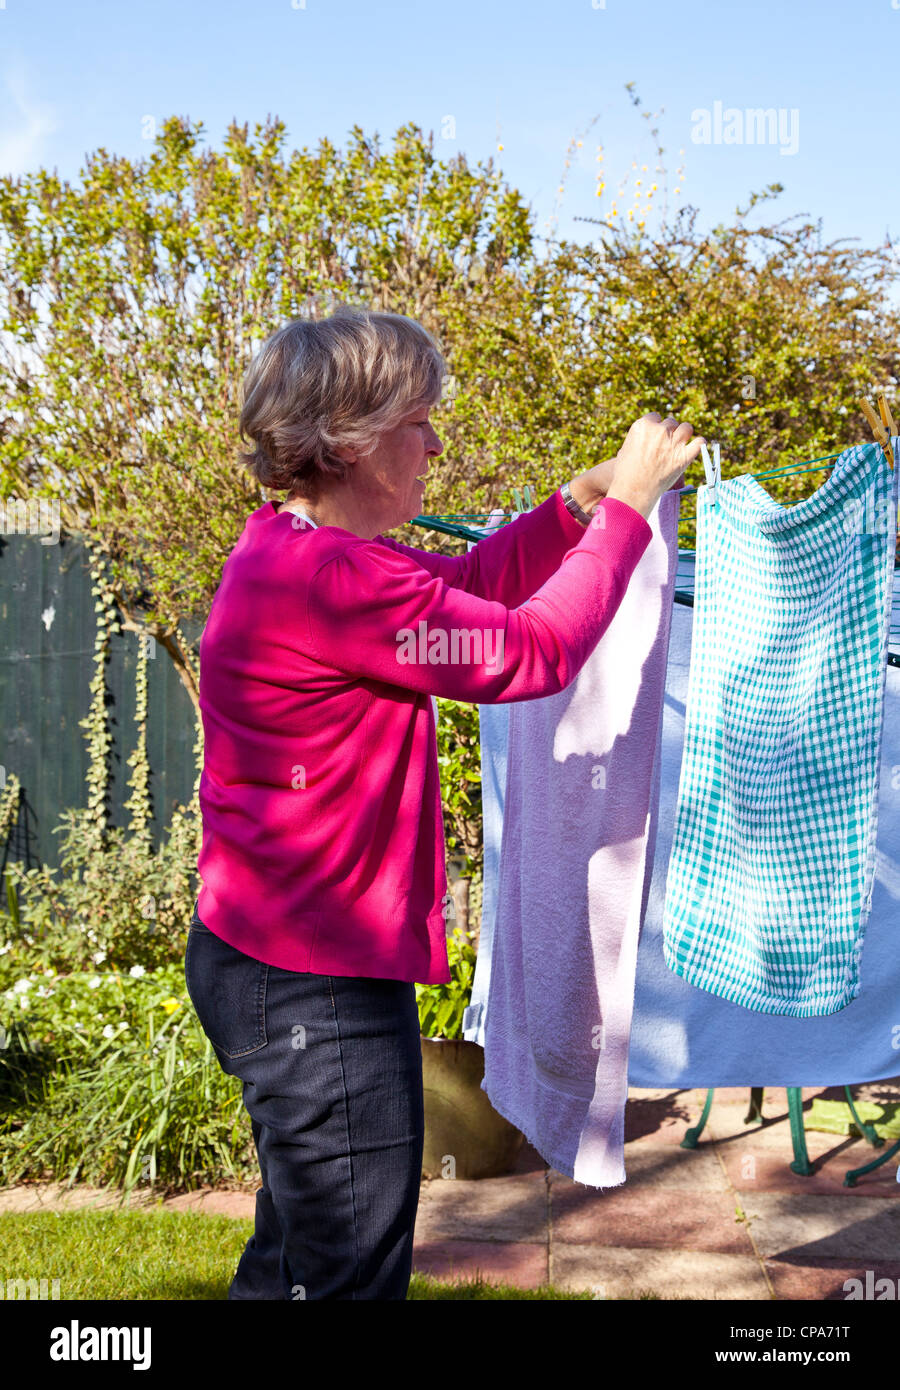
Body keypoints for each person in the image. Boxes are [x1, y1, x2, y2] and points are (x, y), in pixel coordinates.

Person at [184, 302, 703, 1300]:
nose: (435, 441)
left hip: (269, 962)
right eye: (417, 420)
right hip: (314, 984)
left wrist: (572, 512)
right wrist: (631, 510)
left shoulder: (295, 554)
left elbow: (466, 586)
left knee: (296, 1259)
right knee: (347, 1275)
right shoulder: (335, 580)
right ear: (348, 440)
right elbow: (531, 652)